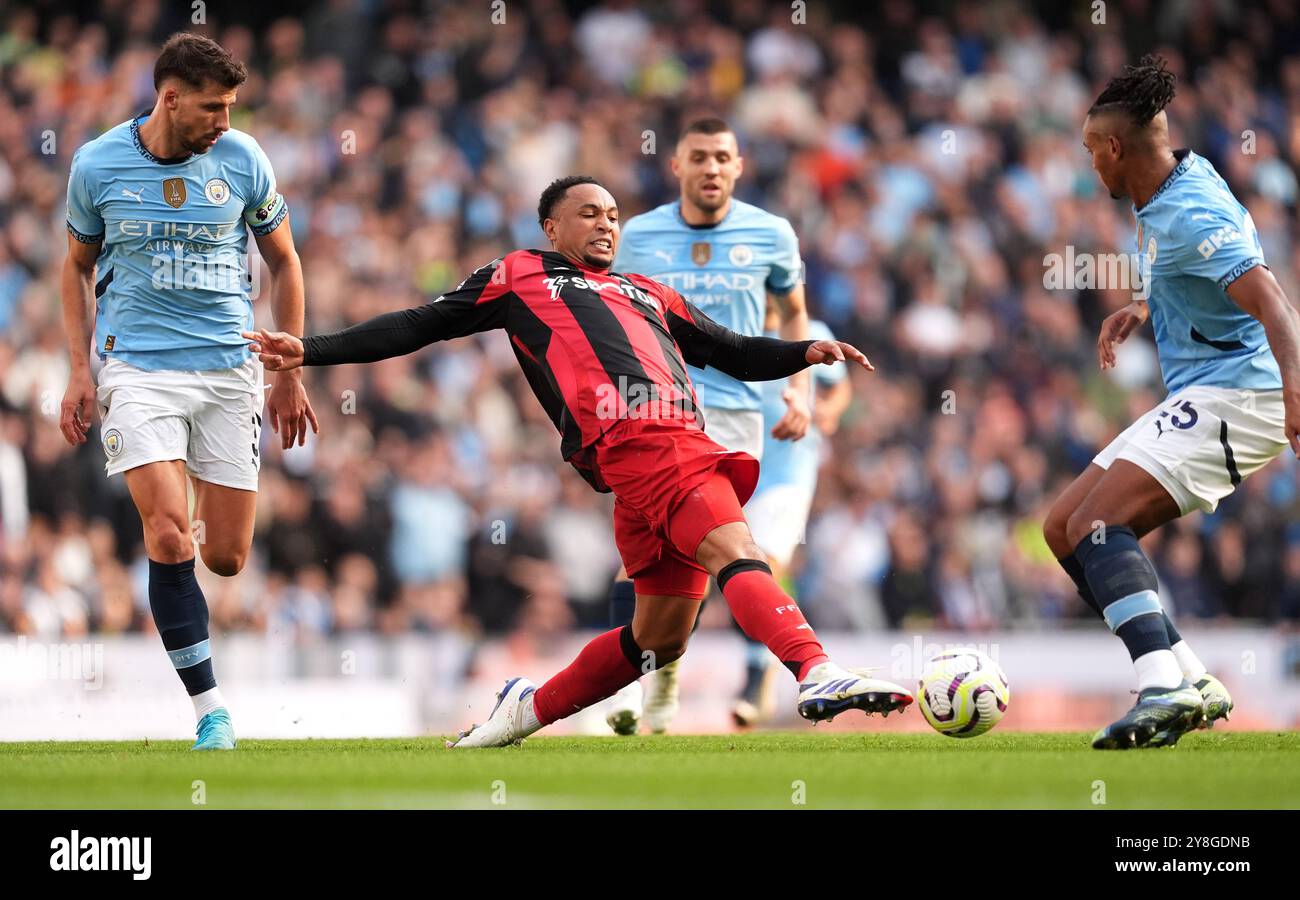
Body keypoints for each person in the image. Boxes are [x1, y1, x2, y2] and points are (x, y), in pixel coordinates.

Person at [245, 175, 914, 748]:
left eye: (614, 215)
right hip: (641, 438)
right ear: (550, 224)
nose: (606, 224)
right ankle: (815, 669)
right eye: (589, 212)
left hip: (659, 454)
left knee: (658, 638)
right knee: (737, 550)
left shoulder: (649, 293)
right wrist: (310, 349)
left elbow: (736, 351)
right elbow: (421, 323)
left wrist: (803, 353)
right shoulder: (518, 275)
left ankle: (523, 711)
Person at [60, 33, 317, 751]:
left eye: (232, 107)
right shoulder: (98, 164)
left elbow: (285, 262)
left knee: (227, 556)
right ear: (170, 98)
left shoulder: (243, 161)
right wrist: (80, 370)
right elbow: (75, 268)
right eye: (213, 108)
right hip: (137, 369)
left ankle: (195, 600)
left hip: (228, 371)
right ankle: (211, 710)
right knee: (170, 532)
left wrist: (288, 370)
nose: (225, 123)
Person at [1042, 56, 1300, 749]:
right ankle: (1192, 677)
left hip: (1242, 395)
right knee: (1064, 526)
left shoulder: (1189, 210)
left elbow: (1275, 304)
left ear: (1117, 149)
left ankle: (1162, 685)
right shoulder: (1173, 182)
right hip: (1208, 388)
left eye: (1094, 153)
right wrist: (1144, 304)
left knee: (1099, 524)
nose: (1092, 167)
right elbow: (1202, 272)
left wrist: (1295, 392)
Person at [604, 117, 813, 734]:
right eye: (699, 157)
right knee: (642, 560)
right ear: (677, 166)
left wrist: (798, 390)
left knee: (701, 559)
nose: (711, 168)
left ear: (739, 166)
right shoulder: (637, 237)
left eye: (722, 157)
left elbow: (795, 315)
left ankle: (658, 684)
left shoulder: (771, 233)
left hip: (733, 414)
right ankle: (642, 685)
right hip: (655, 409)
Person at [738, 313, 852, 726]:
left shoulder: (813, 332)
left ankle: (757, 679)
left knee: (763, 566)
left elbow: (840, 389)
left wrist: (826, 411)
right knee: (731, 572)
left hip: (789, 471)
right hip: (740, 465)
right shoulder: (732, 326)